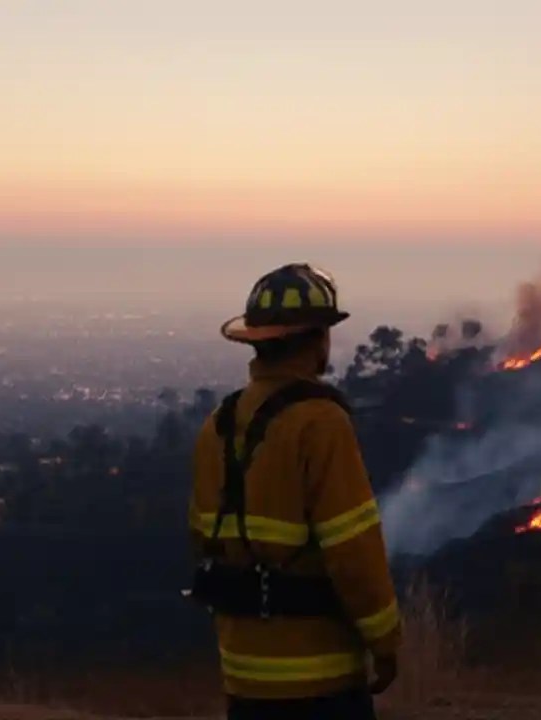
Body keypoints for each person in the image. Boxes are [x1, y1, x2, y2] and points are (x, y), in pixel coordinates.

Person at [187, 264, 400, 720]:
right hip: (320, 680)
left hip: (243, 677)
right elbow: (354, 553)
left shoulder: (218, 426)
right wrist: (386, 644)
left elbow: (204, 540)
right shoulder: (320, 424)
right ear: (317, 339)